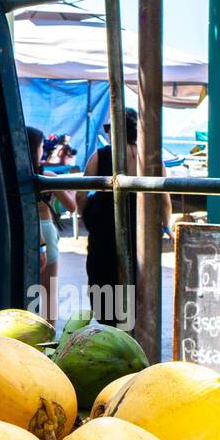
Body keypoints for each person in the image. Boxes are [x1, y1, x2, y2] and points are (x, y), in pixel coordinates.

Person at [81, 110, 140, 327]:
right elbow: (163, 200)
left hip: (104, 229)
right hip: (138, 230)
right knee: (135, 279)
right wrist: (164, 226)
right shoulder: (149, 158)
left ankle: (109, 328)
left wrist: (85, 217)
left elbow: (81, 193)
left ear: (114, 130)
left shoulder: (100, 156)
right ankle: (130, 331)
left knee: (101, 280)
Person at [28, 127, 75, 325]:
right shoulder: (47, 177)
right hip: (46, 232)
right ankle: (47, 342)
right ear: (37, 149)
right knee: (48, 293)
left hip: (24, 230)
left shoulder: (15, 178)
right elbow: (71, 206)